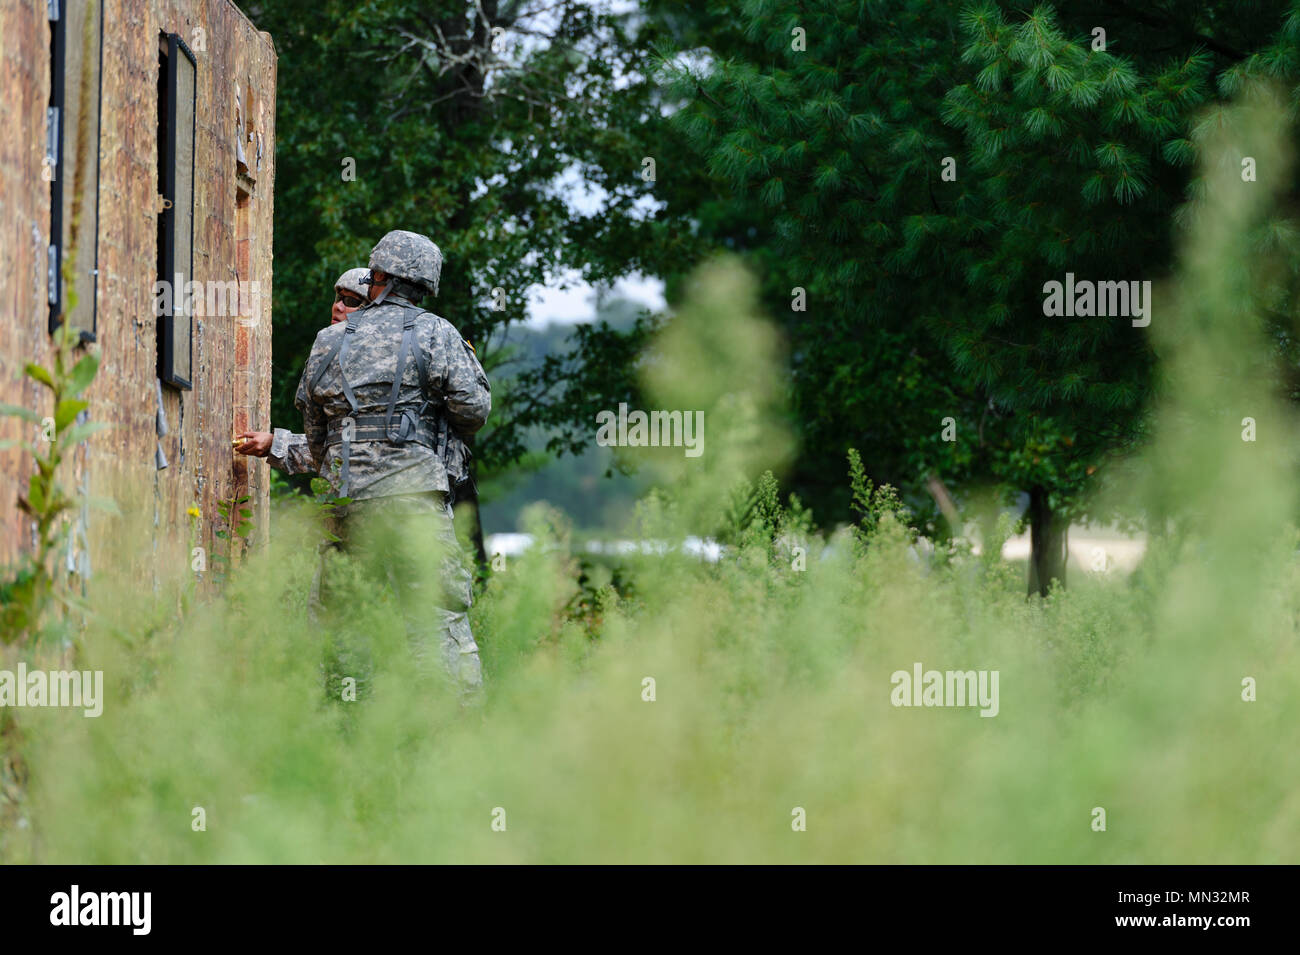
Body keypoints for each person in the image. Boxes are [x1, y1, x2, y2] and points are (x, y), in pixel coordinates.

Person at [295, 230, 491, 704]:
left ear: (377, 275)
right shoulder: (436, 332)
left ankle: (342, 723)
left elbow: (312, 422)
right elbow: (474, 409)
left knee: (343, 617)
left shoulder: (329, 340)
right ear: (424, 284)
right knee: (435, 616)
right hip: (413, 498)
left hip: (345, 500)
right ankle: (448, 729)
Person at [235, 268, 371, 474]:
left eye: (351, 302)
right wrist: (275, 443)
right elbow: (330, 444)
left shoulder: (380, 364)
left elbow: (361, 448)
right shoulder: (329, 353)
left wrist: (276, 444)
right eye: (338, 298)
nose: (338, 306)